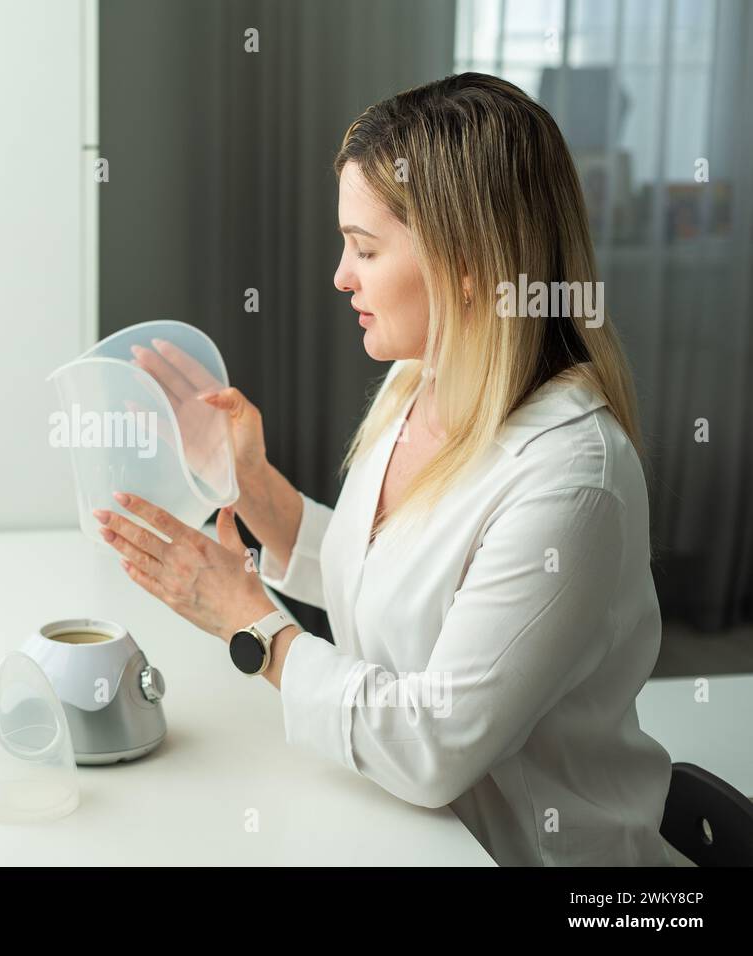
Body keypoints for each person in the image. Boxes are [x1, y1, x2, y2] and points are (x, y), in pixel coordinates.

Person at [92, 72, 675, 866]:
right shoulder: (419, 377)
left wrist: (252, 624)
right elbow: (394, 584)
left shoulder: (572, 482)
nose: (341, 276)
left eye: (365, 248)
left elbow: (432, 748)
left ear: (467, 264)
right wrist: (249, 482)